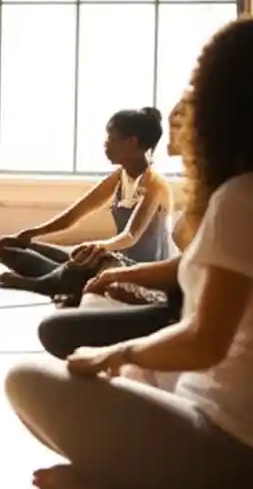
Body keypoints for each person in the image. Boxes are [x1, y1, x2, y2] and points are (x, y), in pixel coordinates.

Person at [5, 16, 253, 489]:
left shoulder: (245, 199)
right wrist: (126, 358)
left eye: (197, 88)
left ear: (228, 104)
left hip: (244, 465)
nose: (188, 104)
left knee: (25, 380)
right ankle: (121, 471)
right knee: (130, 371)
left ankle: (116, 477)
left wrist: (112, 353)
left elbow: (204, 341)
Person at [36, 89, 195, 359]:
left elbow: (133, 237)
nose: (172, 126)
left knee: (55, 327)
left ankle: (53, 281)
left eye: (181, 121)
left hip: (166, 298)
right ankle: (60, 279)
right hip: (158, 288)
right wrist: (33, 234)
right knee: (74, 260)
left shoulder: (161, 184)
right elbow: (189, 266)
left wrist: (135, 287)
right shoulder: (202, 192)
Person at [0, 107, 175, 303]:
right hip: (112, 258)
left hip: (138, 270)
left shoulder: (155, 184)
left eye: (111, 138)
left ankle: (43, 283)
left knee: (89, 261)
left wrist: (99, 246)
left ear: (131, 142)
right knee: (8, 247)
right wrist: (32, 233)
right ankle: (64, 280)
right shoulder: (119, 177)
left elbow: (131, 236)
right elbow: (75, 215)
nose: (105, 145)